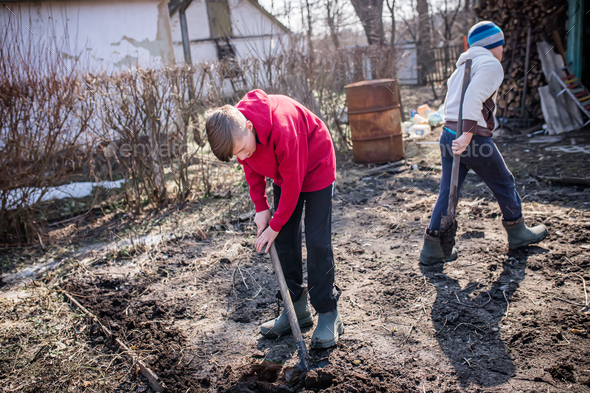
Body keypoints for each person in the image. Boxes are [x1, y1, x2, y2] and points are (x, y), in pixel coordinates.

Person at [205, 89, 342, 348]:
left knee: (316, 241)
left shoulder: (282, 127)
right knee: (285, 241)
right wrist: (261, 208)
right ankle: (296, 309)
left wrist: (274, 225)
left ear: (249, 125)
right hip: (285, 172)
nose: (243, 157)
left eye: (244, 149)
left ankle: (328, 313)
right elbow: (252, 170)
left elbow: (293, 184)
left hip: (316, 165)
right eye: (237, 155)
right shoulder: (238, 135)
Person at [420, 21, 548, 265]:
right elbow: (473, 97)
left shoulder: (463, 65)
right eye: (501, 44)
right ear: (493, 44)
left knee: (448, 192)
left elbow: (454, 101)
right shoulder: (490, 63)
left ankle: (432, 247)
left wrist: (459, 134)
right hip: (471, 137)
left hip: (448, 134)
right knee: (503, 182)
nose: (503, 49)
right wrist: (468, 133)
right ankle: (518, 231)